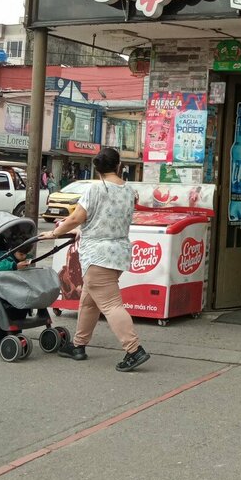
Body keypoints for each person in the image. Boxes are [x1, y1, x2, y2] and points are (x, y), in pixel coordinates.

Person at [39, 145, 149, 372]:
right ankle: (78, 346)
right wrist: (85, 229)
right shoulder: (129, 191)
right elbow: (105, 218)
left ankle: (134, 349)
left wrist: (55, 232)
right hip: (117, 253)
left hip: (97, 255)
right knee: (88, 301)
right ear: (119, 166)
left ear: (97, 168)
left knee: (110, 305)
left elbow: (76, 217)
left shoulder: (95, 189)